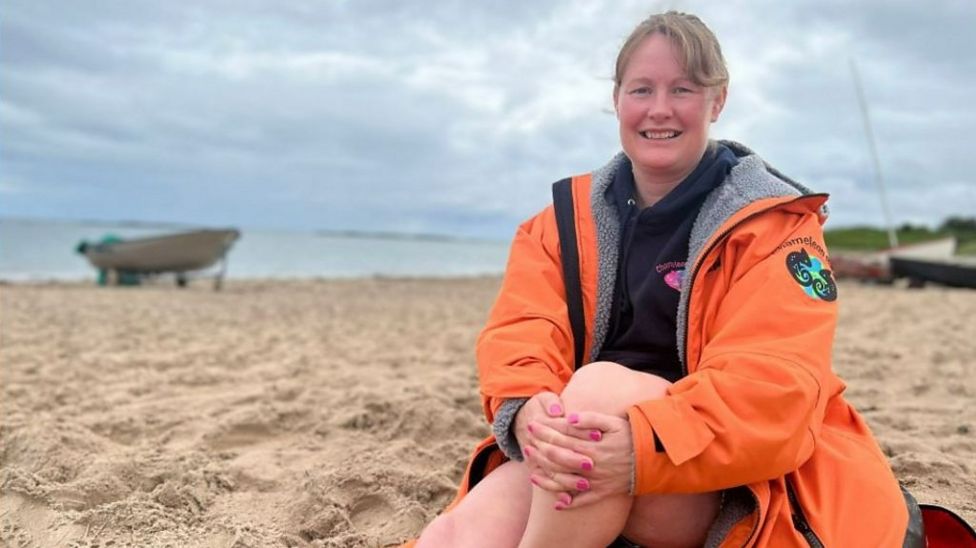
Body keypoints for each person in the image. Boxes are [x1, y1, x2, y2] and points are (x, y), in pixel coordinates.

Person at [412, 11, 912, 548]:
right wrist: (531, 410)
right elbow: (521, 332)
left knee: (598, 390)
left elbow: (775, 390)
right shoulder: (559, 223)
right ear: (617, 100)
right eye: (641, 89)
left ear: (717, 101)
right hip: (585, 455)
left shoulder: (775, 228)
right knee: (456, 532)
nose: (659, 109)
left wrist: (640, 446)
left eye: (683, 89)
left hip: (730, 481)